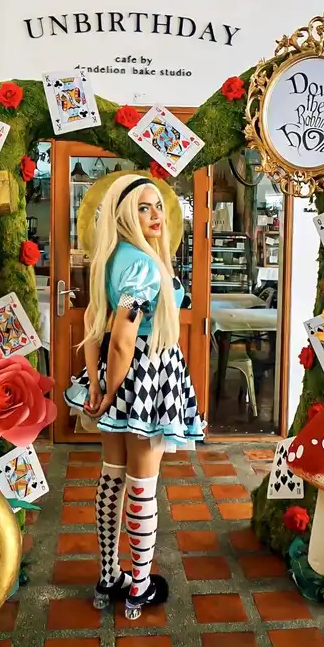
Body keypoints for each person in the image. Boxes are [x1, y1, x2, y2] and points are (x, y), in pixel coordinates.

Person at [64, 174, 205, 620]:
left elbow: (95, 327)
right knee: (142, 484)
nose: (156, 215)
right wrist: (108, 392)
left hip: (121, 372)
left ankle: (109, 575)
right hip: (147, 372)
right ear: (125, 214)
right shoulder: (142, 266)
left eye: (158, 206)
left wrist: (98, 382)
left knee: (113, 476)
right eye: (143, 207)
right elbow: (124, 336)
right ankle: (140, 586)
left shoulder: (111, 258)